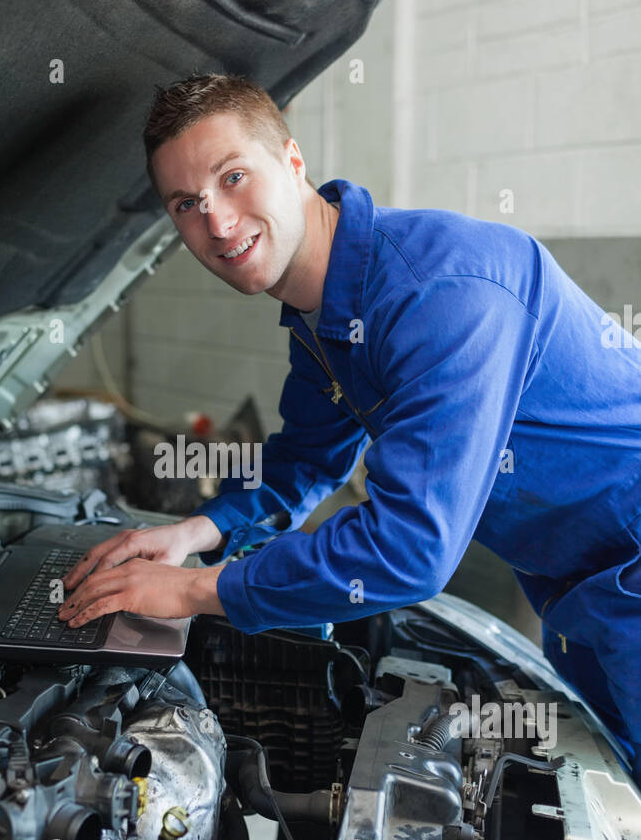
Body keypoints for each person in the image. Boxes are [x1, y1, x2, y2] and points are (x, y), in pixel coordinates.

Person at [59, 72, 641, 774]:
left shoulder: (440, 295)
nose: (215, 220)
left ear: (293, 161)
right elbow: (305, 461)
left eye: (234, 176)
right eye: (187, 203)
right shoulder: (323, 317)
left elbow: (409, 548)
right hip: (580, 593)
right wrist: (195, 534)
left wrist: (194, 590)